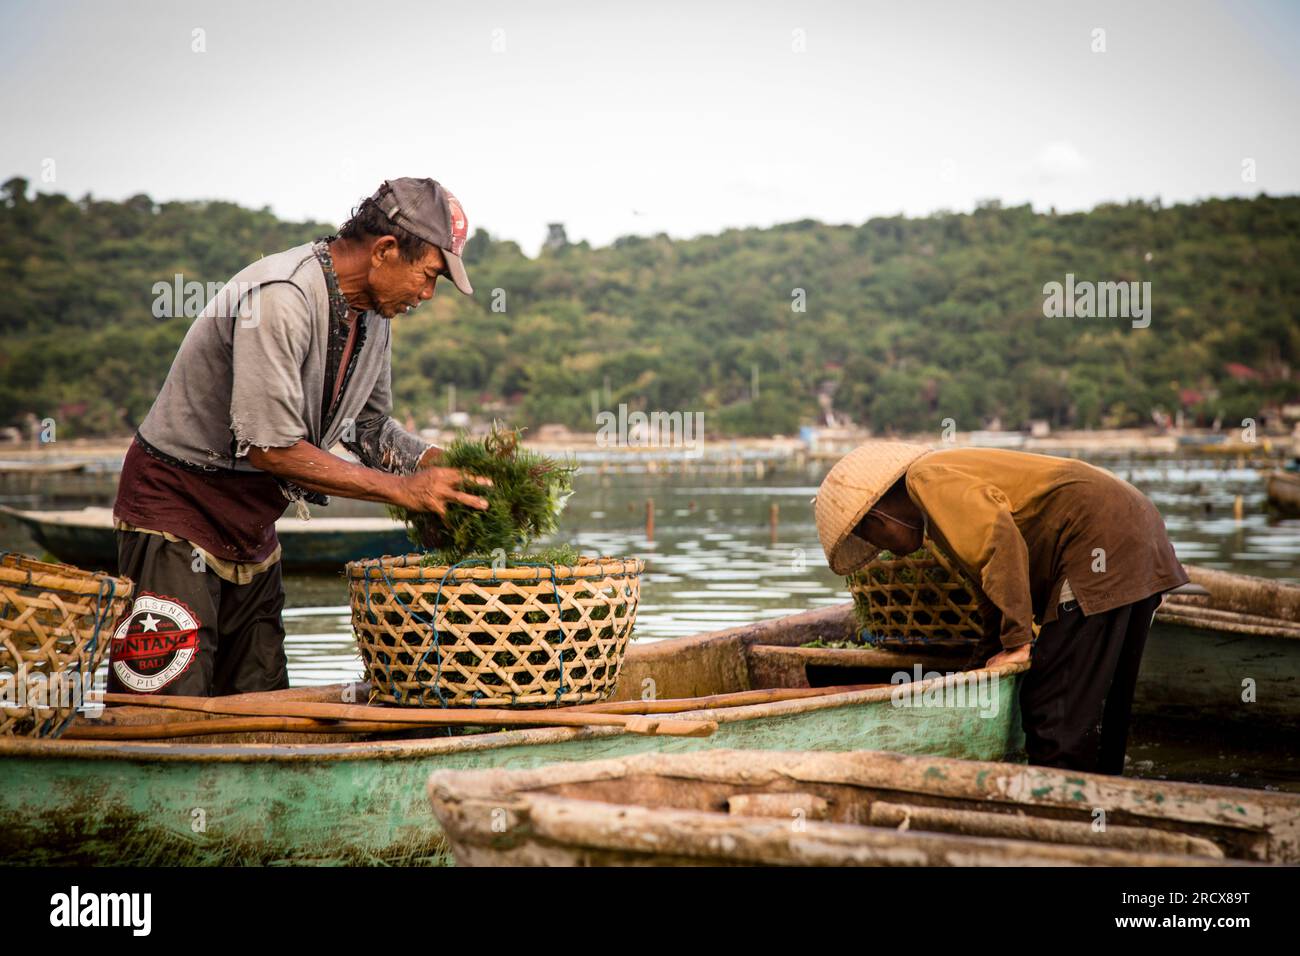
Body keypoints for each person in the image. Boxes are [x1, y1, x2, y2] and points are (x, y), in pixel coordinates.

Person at [108, 177, 490, 697]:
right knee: (168, 705)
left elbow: (369, 429)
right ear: (385, 250)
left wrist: (445, 462)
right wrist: (404, 491)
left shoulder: (373, 319)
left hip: (252, 525)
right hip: (178, 512)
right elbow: (272, 447)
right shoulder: (281, 298)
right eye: (428, 277)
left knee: (263, 701)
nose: (426, 295)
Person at [814, 441, 1189, 775]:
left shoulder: (927, 481)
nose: (884, 552)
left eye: (874, 539)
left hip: (1097, 542)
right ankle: (1107, 804)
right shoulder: (941, 490)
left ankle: (1061, 817)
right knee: (1106, 704)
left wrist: (1017, 643)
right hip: (1137, 531)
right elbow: (987, 580)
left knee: (1051, 705)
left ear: (879, 520)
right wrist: (986, 654)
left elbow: (1001, 543)